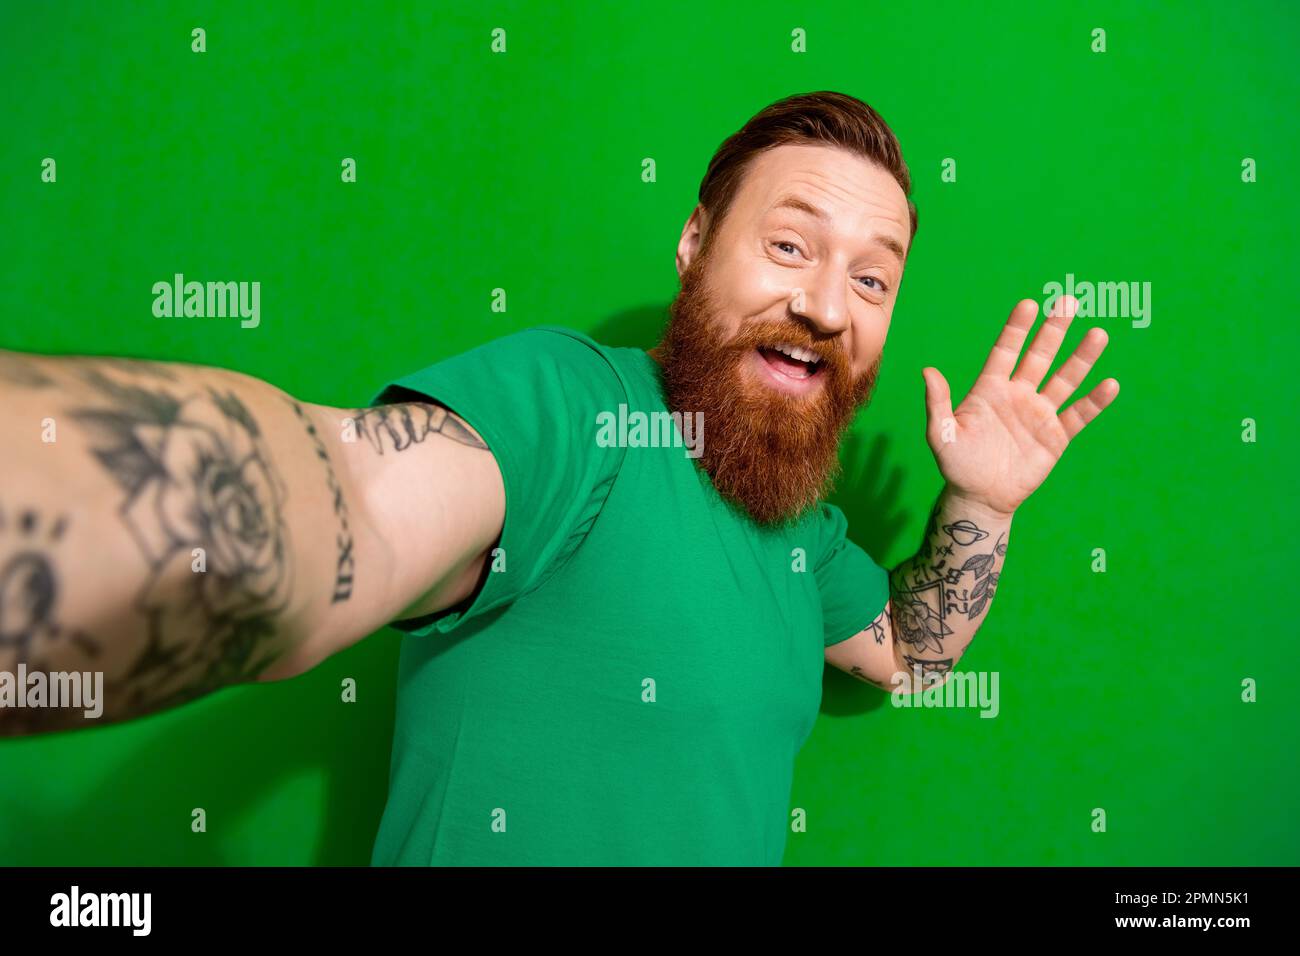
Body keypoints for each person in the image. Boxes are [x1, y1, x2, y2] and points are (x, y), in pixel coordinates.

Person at [0, 90, 1118, 865]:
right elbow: (345, 504)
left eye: (871, 280)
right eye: (789, 245)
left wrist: (984, 500)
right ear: (694, 243)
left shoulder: (806, 536)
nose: (828, 303)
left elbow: (915, 653)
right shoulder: (576, 406)